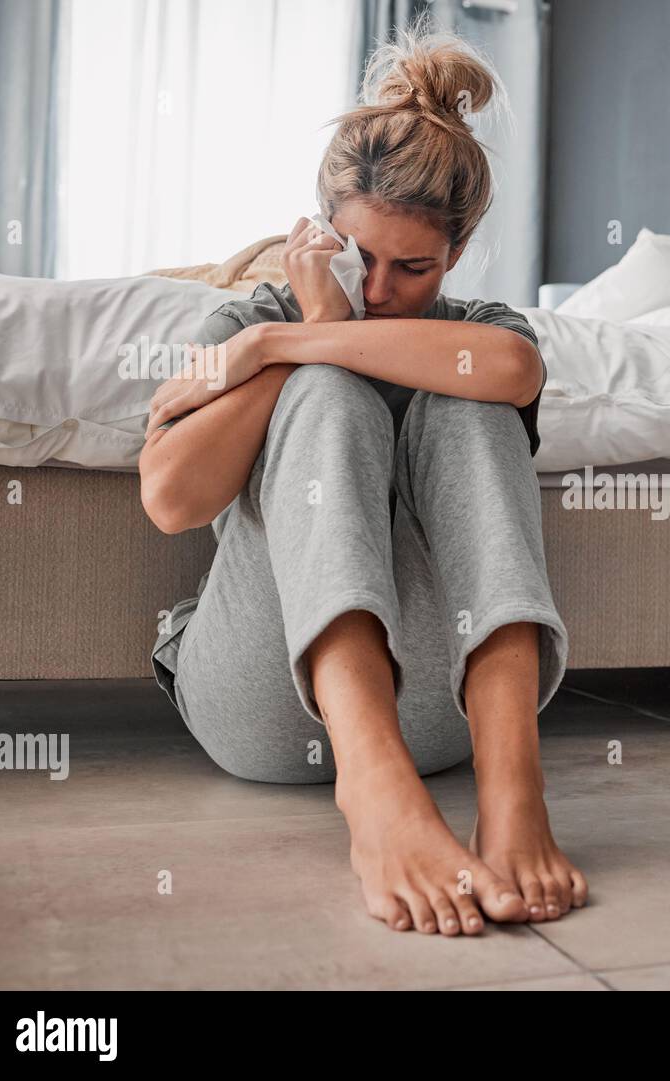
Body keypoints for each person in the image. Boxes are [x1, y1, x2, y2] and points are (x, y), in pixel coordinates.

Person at [139, 23, 586, 937]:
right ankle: (373, 792)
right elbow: (172, 498)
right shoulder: (252, 313)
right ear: (318, 228)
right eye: (356, 255)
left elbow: (513, 374)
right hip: (258, 704)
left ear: (455, 255)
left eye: (412, 267)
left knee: (467, 400)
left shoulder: (476, 329)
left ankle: (514, 795)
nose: (377, 289)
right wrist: (288, 344)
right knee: (330, 392)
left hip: (443, 720)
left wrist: (286, 342)